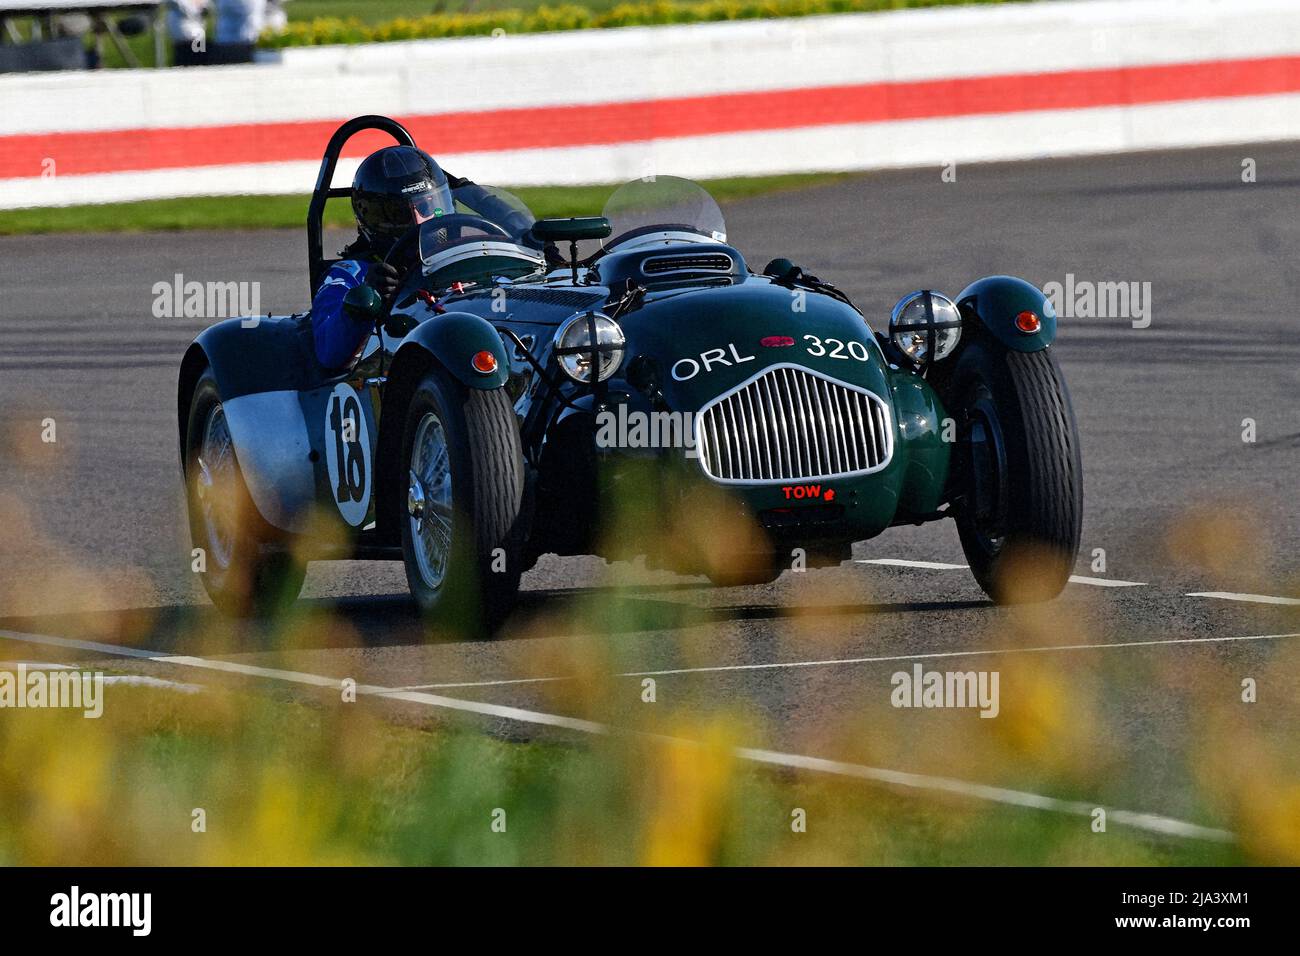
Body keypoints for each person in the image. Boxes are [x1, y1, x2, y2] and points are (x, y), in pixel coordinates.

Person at [310, 145, 536, 369]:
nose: (420, 221)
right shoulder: (351, 274)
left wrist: (464, 189)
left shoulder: (473, 254)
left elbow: (521, 237)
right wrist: (366, 302)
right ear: (372, 217)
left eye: (428, 206)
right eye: (400, 213)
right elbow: (329, 352)